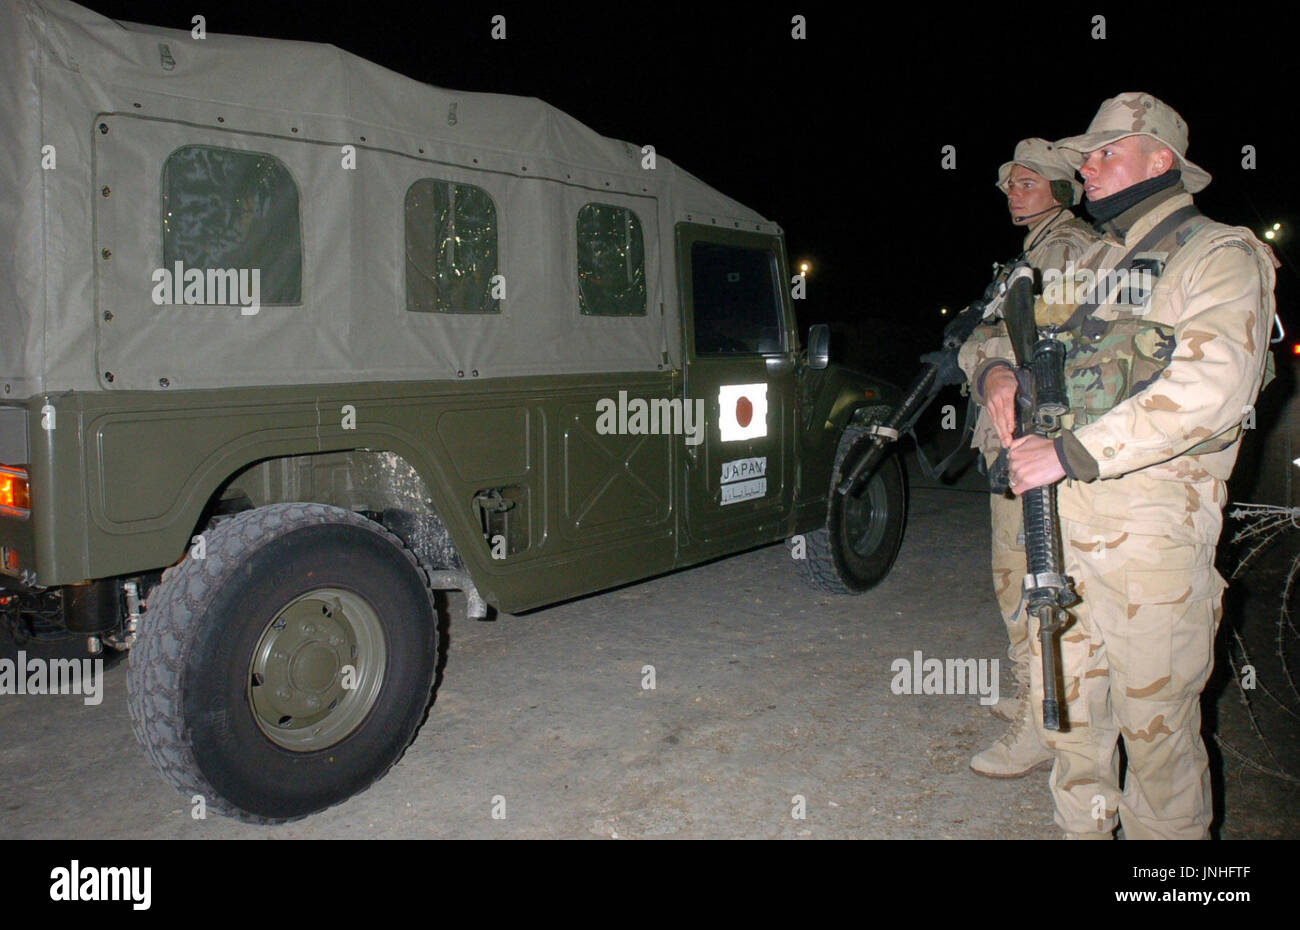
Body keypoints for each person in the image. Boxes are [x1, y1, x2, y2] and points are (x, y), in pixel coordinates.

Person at [971, 92, 1278, 838]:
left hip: (1150, 542)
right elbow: (994, 337)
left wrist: (1072, 452)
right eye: (1087, 153)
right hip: (1060, 527)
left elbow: (1212, 390)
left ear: (1161, 160)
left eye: (1107, 150)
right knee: (1073, 729)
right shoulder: (1092, 260)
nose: (1088, 165)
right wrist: (995, 377)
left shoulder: (1220, 255)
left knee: (1159, 742)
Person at [957, 139, 1095, 779]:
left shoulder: (1065, 247)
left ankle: (1046, 717)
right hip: (1018, 441)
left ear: (1063, 190)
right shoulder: (1038, 248)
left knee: (1028, 573)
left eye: (1030, 181)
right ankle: (1033, 685)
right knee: (1014, 573)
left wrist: (983, 351)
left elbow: (1043, 339)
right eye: (1010, 182)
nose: (1016, 191)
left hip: (1034, 442)